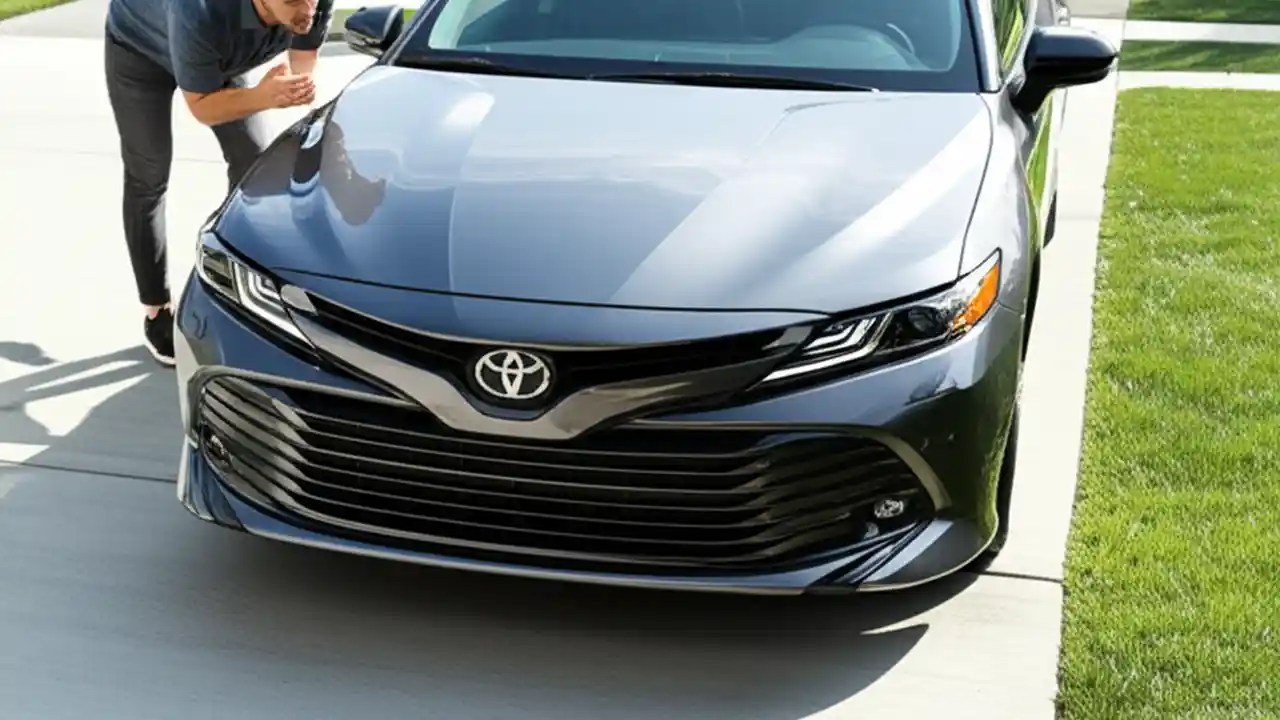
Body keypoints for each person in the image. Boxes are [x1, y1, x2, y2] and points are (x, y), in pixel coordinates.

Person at [103, 0, 334, 366]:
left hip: (216, 58)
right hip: (140, 52)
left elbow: (303, 56)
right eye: (292, 1)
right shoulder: (200, 9)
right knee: (148, 177)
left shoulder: (309, 3)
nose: (307, 7)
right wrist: (262, 96)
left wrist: (295, 89)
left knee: (254, 162)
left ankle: (232, 282)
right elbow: (202, 104)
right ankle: (156, 311)